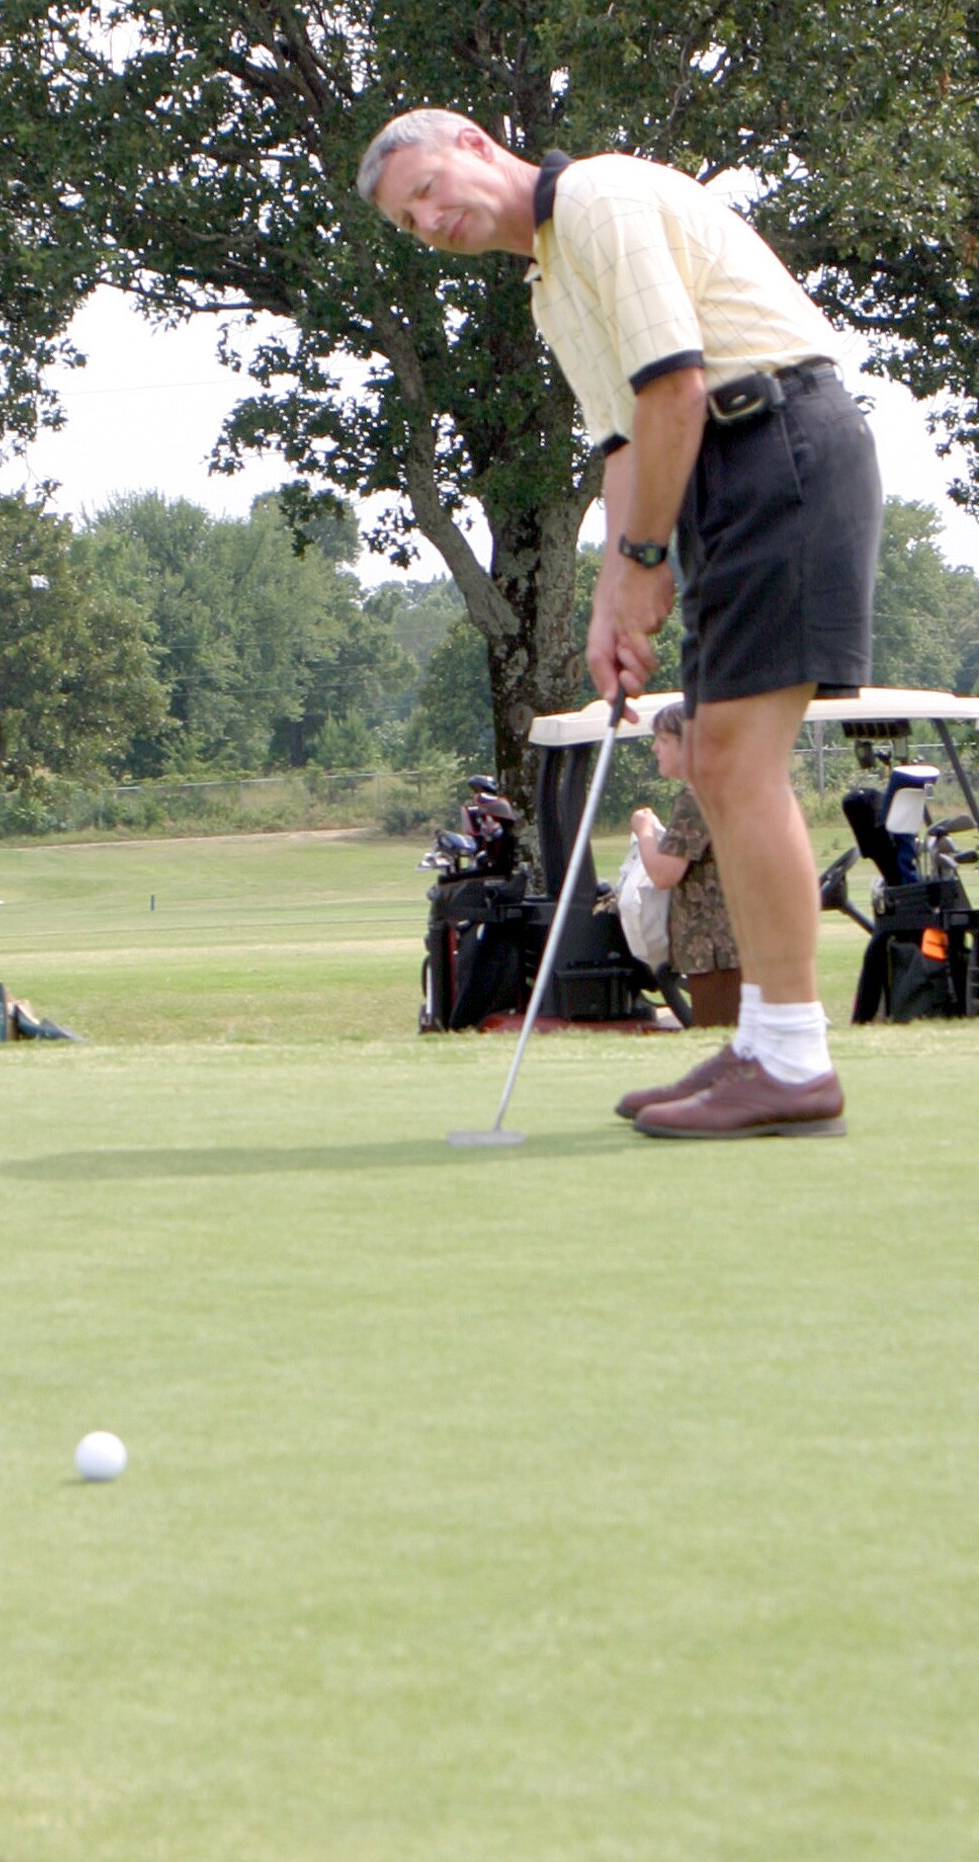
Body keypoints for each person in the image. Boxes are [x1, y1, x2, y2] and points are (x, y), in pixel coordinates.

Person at [356, 110, 882, 1138]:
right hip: (720, 473)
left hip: (776, 445)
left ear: (470, 143)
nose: (428, 219)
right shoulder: (551, 284)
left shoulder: (598, 197)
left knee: (734, 762)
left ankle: (793, 1057)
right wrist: (613, 595)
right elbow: (628, 442)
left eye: (425, 187)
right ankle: (765, 1040)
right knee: (724, 764)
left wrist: (648, 562)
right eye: (408, 220)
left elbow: (677, 385)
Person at [630, 702, 740, 1028]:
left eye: (663, 740)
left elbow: (665, 873)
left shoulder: (696, 798)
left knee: (718, 1043)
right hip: (735, 945)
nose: (655, 748)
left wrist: (644, 830)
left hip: (715, 952)